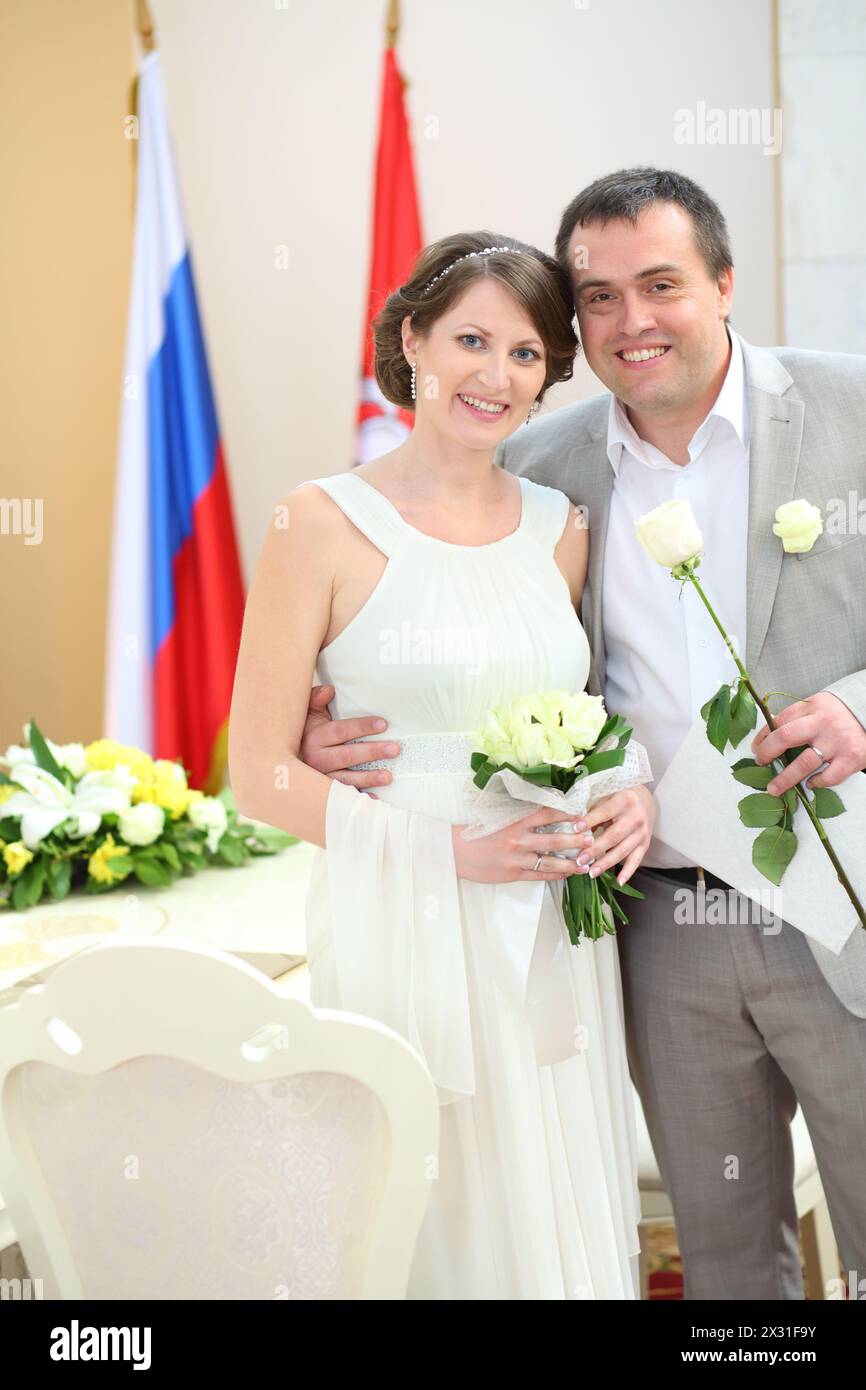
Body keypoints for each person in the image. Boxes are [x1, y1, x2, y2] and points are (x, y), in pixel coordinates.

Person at [303, 167, 866, 1300]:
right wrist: (328, 729)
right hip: (652, 922)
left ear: (721, 281)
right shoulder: (535, 470)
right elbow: (460, 636)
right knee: (722, 1262)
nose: (628, 320)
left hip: (841, 894)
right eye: (594, 297)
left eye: (658, 284)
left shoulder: (849, 408)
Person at [229, 230, 657, 1299]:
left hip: (555, 929)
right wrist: (450, 852)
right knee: (433, 1201)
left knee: (551, 1188)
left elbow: (598, 713)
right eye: (469, 338)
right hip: (405, 913)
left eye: (525, 353)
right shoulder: (317, 523)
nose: (496, 375)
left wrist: (627, 786)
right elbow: (259, 774)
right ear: (410, 336)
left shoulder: (562, 529)